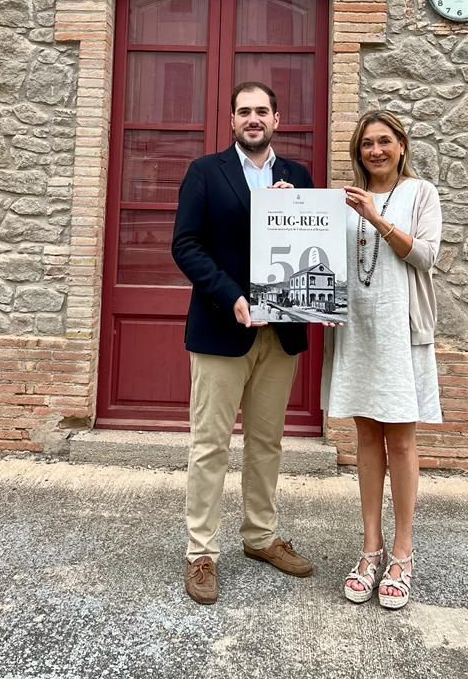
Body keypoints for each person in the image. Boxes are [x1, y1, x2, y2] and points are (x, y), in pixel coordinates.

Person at [172, 81, 315, 605]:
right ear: (231, 121)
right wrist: (230, 294)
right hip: (220, 329)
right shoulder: (205, 173)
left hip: (280, 334)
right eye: (244, 112)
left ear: (277, 119)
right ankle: (200, 553)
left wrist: (326, 302)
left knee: (266, 442)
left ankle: (259, 537)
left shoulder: (296, 176)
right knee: (210, 445)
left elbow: (311, 247)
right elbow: (185, 245)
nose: (253, 119)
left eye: (262, 111)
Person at [326, 109, 442, 610]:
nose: (375, 150)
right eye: (366, 143)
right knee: (366, 434)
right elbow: (320, 253)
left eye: (384, 141)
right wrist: (288, 206)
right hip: (358, 330)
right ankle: (370, 548)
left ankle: (402, 553)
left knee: (402, 435)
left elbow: (426, 256)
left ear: (401, 145)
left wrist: (375, 215)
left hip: (402, 330)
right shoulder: (343, 201)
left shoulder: (422, 194)